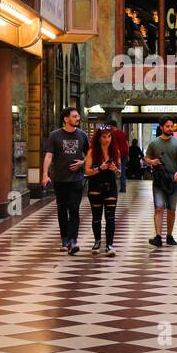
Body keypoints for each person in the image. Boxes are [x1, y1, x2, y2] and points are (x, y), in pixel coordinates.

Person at [41, 107, 90, 255]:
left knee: (74, 209)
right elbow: (49, 156)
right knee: (62, 209)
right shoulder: (55, 135)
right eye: (74, 116)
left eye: (78, 116)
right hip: (60, 179)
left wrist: (83, 163)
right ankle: (64, 238)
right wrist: (45, 174)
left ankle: (73, 240)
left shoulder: (82, 135)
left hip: (77, 179)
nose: (78, 118)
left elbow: (90, 154)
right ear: (66, 119)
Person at [144, 118, 177, 247]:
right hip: (159, 181)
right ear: (161, 127)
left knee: (171, 209)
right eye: (167, 126)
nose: (170, 128)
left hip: (173, 181)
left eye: (172, 126)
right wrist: (152, 162)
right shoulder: (154, 143)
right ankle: (158, 237)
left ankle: (169, 235)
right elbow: (146, 159)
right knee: (159, 208)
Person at [84, 126, 121, 257]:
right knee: (97, 216)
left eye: (109, 136)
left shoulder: (115, 152)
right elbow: (87, 171)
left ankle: (109, 244)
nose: (107, 139)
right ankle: (97, 241)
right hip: (95, 186)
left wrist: (115, 169)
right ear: (99, 138)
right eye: (104, 137)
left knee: (110, 217)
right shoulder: (92, 151)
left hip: (111, 187)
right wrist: (100, 168)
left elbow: (119, 174)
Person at [108, 119, 130, 192]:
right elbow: (127, 143)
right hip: (125, 154)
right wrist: (128, 154)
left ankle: (112, 187)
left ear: (111, 126)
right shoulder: (122, 133)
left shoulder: (112, 133)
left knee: (113, 170)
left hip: (117, 154)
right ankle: (123, 187)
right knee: (122, 170)